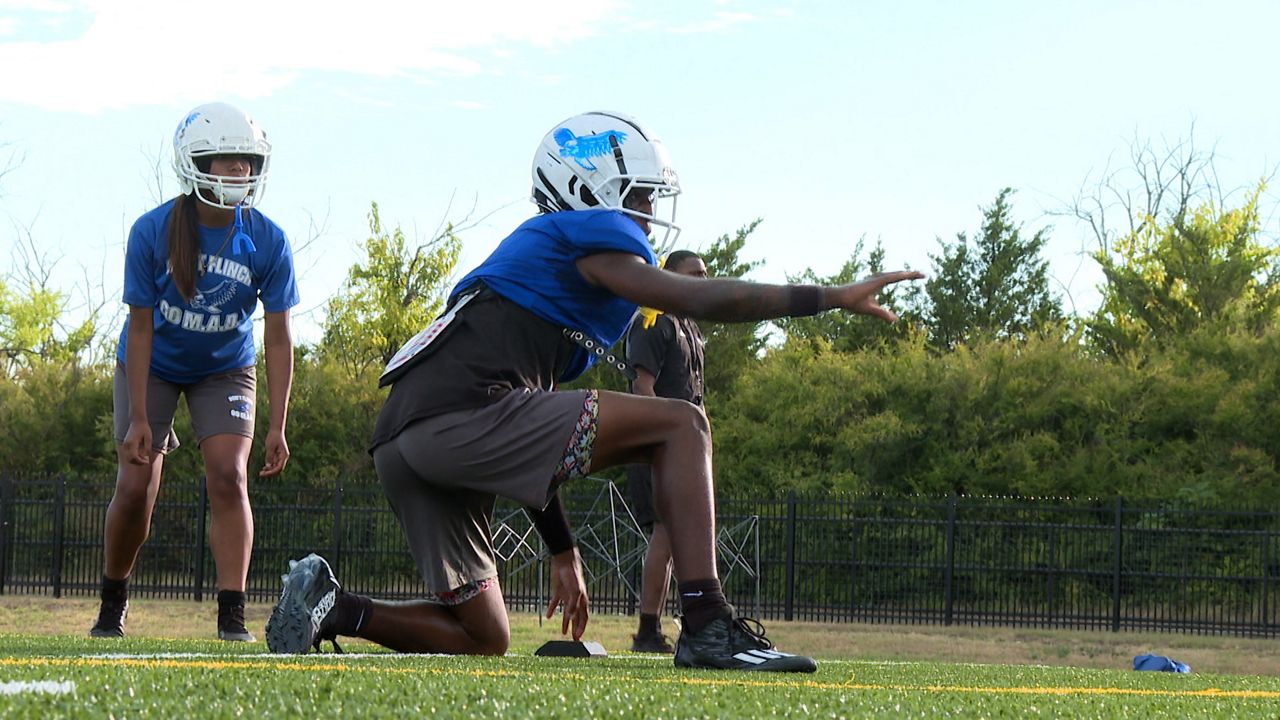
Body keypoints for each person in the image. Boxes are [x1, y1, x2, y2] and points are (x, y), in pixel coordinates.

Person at [266, 110, 921, 672]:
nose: (648, 212)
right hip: (459, 417)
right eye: (638, 196)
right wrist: (826, 297)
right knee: (682, 425)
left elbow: (527, 422)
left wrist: (562, 549)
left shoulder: (531, 266)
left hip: (408, 438)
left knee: (483, 637)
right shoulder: (579, 235)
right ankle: (706, 624)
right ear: (590, 190)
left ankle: (331, 605)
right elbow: (687, 296)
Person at [90, 102, 298, 642]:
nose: (239, 172)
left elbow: (277, 337)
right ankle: (113, 602)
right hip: (153, 364)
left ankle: (232, 616)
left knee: (229, 475)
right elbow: (139, 328)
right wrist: (139, 415)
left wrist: (277, 424)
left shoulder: (269, 240)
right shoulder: (152, 231)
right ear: (194, 161)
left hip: (225, 368)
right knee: (136, 486)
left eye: (247, 161)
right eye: (226, 159)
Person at [623, 250, 708, 653]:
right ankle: (647, 631)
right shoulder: (652, 318)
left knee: (677, 536)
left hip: (685, 445)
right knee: (666, 530)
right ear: (669, 276)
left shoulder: (687, 323)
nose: (702, 281)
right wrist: (661, 441)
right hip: (659, 441)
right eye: (693, 274)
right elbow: (643, 387)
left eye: (706, 275)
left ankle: (679, 623)